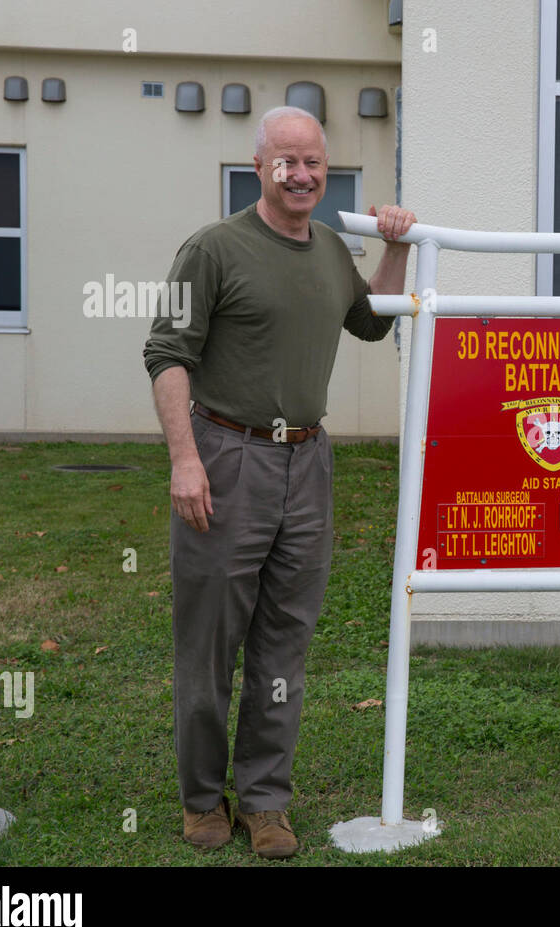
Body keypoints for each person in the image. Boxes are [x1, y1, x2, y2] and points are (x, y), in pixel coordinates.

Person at [142, 105, 417, 857]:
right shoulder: (212, 248)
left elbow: (371, 323)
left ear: (326, 169)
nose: (301, 175)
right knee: (209, 641)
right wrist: (184, 459)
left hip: (308, 461)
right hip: (225, 455)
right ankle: (203, 800)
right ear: (259, 165)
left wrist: (394, 248)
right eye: (286, 161)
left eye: (314, 163)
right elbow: (166, 351)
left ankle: (266, 801)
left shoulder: (330, 248)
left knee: (284, 644)